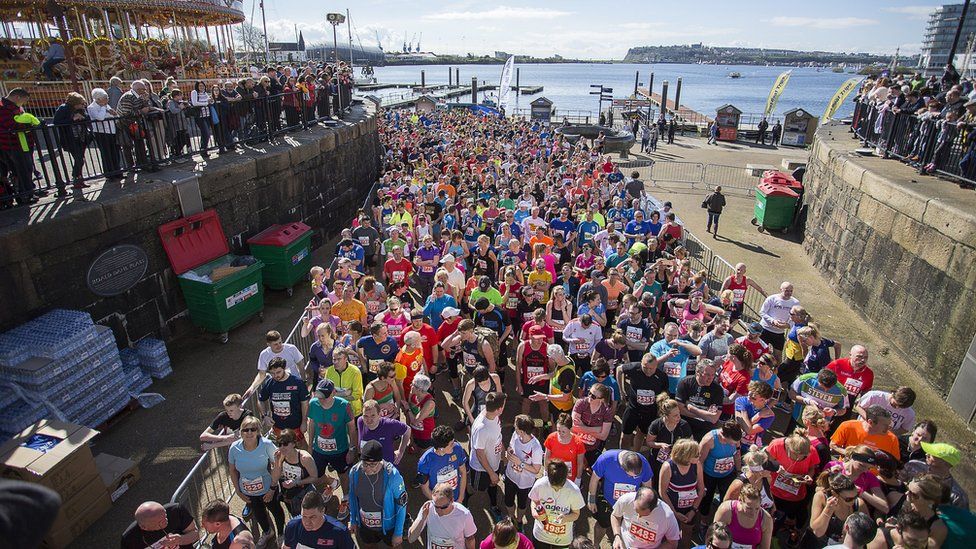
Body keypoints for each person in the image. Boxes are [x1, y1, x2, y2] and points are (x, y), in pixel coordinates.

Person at [227, 416, 285, 546]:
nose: (249, 433)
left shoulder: (267, 445)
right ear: (241, 432)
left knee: (276, 511)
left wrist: (272, 489)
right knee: (259, 514)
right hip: (248, 491)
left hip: (267, 489)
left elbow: (278, 466)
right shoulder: (234, 448)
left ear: (258, 431)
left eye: (252, 429)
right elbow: (232, 470)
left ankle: (281, 533)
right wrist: (238, 490)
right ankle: (267, 532)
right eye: (245, 430)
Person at [306, 379, 357, 521]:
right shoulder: (313, 404)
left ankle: (346, 498)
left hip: (340, 450)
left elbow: (352, 428)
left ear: (334, 393)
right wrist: (310, 445)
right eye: (319, 397)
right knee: (315, 475)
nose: (321, 400)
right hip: (319, 450)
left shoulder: (344, 406)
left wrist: (352, 449)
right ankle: (333, 483)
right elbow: (312, 424)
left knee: (344, 475)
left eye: (325, 397)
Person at [348, 440, 408, 548]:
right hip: (365, 525)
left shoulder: (393, 476)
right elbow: (352, 497)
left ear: (380, 461)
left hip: (389, 526)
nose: (368, 469)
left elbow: (401, 505)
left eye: (372, 465)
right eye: (365, 464)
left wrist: (398, 533)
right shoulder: (354, 472)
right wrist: (353, 519)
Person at [589, 450, 655, 546]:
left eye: (636, 477)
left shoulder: (644, 463)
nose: (632, 478)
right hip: (608, 501)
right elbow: (594, 480)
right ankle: (596, 545)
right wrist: (591, 500)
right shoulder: (606, 459)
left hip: (631, 505)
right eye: (630, 475)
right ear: (622, 468)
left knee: (627, 529)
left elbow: (648, 487)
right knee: (602, 524)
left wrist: (644, 508)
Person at [618, 352, 671, 451]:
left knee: (642, 433)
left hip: (649, 411)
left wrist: (661, 402)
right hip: (633, 409)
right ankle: (622, 455)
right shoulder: (635, 368)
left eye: (651, 368)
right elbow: (619, 369)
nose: (648, 371)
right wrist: (621, 390)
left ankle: (636, 453)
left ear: (656, 366)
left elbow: (665, 392)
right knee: (625, 435)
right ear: (641, 363)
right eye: (645, 367)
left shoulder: (661, 376)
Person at [530, 459, 586, 549]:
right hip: (540, 536)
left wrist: (566, 518)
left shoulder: (574, 490)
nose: (557, 490)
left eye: (560, 486)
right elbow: (534, 501)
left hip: (563, 540)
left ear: (566, 477)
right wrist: (534, 512)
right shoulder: (540, 484)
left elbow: (576, 514)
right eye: (553, 486)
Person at [468, 391, 507, 520]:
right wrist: (491, 473)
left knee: (493, 484)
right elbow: (479, 453)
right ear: (500, 409)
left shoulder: (494, 415)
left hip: (494, 461)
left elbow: (497, 436)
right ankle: (464, 499)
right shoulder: (482, 428)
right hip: (481, 468)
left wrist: (503, 451)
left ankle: (494, 505)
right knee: (475, 487)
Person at [658, 439, 705, 546]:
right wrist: (674, 513)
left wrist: (693, 510)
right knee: (669, 535)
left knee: (687, 532)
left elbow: (701, 489)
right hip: (672, 507)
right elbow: (663, 492)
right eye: (696, 454)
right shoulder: (668, 467)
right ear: (686, 455)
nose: (699, 455)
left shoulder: (696, 464)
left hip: (690, 507)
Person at [900, 442, 969, 510]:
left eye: (932, 454)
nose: (927, 454)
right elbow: (896, 483)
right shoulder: (913, 465)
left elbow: (960, 518)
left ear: (944, 462)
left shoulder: (957, 495)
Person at [0, 88, 40, 206]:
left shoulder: (13, 107)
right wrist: (28, 124)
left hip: (20, 144)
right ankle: (25, 195)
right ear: (17, 97)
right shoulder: (3, 108)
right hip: (13, 145)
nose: (24, 103)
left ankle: (27, 193)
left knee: (24, 170)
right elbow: (9, 126)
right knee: (21, 170)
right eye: (24, 100)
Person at [408, 482, 478, 549]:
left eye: (443, 507)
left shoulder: (464, 514)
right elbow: (411, 538)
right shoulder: (428, 508)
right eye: (436, 506)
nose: (439, 511)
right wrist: (422, 518)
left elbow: (470, 538)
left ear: (452, 500)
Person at [505, 414, 545, 530]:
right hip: (510, 476)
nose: (514, 428)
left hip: (524, 482)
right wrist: (509, 451)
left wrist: (520, 463)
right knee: (508, 501)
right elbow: (511, 446)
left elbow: (536, 470)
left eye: (516, 427)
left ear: (522, 431)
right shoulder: (515, 435)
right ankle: (511, 518)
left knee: (522, 504)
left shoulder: (536, 447)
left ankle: (519, 521)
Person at [257, 357, 310, 443]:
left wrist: (304, 421)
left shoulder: (297, 382)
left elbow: (305, 403)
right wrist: (264, 416)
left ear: (284, 369)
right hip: (278, 425)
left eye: (278, 372)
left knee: (300, 445)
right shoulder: (270, 383)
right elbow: (260, 400)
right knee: (283, 447)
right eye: (272, 373)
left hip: (295, 424)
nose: (275, 375)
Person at [611, 486, 681, 549]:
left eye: (644, 515)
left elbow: (672, 544)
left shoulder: (667, 516)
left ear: (654, 508)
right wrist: (617, 536)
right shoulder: (626, 499)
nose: (639, 517)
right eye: (636, 511)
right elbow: (615, 516)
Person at [698, 420, 743, 518]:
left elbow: (737, 455)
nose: (733, 445)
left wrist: (739, 472)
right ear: (723, 436)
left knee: (727, 498)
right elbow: (700, 462)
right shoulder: (709, 440)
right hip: (709, 475)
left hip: (727, 474)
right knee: (706, 500)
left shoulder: (736, 437)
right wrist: (701, 484)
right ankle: (703, 521)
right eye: (731, 443)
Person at [245, 330, 305, 399]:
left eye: (280, 342)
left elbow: (300, 365)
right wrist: (252, 387)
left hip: (294, 383)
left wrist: (303, 381)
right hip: (277, 386)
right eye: (275, 344)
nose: (279, 346)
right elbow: (262, 374)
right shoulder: (264, 354)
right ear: (268, 344)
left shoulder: (291, 349)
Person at [282, 491, 354, 548]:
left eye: (312, 517)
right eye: (304, 516)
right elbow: (287, 547)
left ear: (322, 511)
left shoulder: (340, 532)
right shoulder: (293, 526)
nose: (307, 522)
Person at [416, 425, 469, 501]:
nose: (454, 445)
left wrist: (460, 498)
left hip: (457, 498)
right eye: (451, 444)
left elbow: (463, 472)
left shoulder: (457, 448)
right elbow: (425, 489)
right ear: (441, 448)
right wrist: (440, 504)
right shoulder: (425, 461)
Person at [713, 484, 773, 549]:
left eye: (757, 508)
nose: (753, 513)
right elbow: (714, 538)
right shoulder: (726, 510)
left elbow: (765, 547)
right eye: (749, 508)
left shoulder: (766, 519)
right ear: (740, 501)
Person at [829, 406, 901, 460]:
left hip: (874, 476)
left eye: (889, 424)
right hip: (847, 468)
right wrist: (850, 453)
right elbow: (833, 445)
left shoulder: (892, 438)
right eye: (885, 425)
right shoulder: (848, 426)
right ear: (870, 422)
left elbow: (895, 461)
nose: (889, 428)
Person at [675, 360, 723, 440]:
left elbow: (714, 418)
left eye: (713, 375)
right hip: (685, 424)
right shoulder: (685, 382)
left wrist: (692, 408)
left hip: (705, 427)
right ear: (698, 372)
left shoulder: (717, 389)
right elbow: (680, 409)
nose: (710, 378)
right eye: (707, 375)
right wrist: (704, 415)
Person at [120, 501, 199, 549]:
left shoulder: (176, 511)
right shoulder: (130, 538)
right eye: (160, 523)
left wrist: (181, 539)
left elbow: (195, 534)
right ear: (144, 527)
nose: (165, 521)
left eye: (165, 515)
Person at [358, 399, 409, 465]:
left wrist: (400, 451)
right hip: (368, 467)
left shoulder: (389, 424)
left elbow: (407, 430)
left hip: (386, 467)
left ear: (379, 414)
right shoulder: (360, 421)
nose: (369, 420)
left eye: (373, 415)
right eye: (365, 416)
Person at [757, 282, 799, 362]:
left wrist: (787, 325)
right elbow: (762, 312)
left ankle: (775, 372)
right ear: (781, 289)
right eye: (786, 291)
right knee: (760, 351)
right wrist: (773, 321)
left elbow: (795, 318)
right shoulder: (771, 299)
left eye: (791, 291)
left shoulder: (795, 302)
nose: (789, 293)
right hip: (765, 329)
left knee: (778, 356)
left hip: (779, 333)